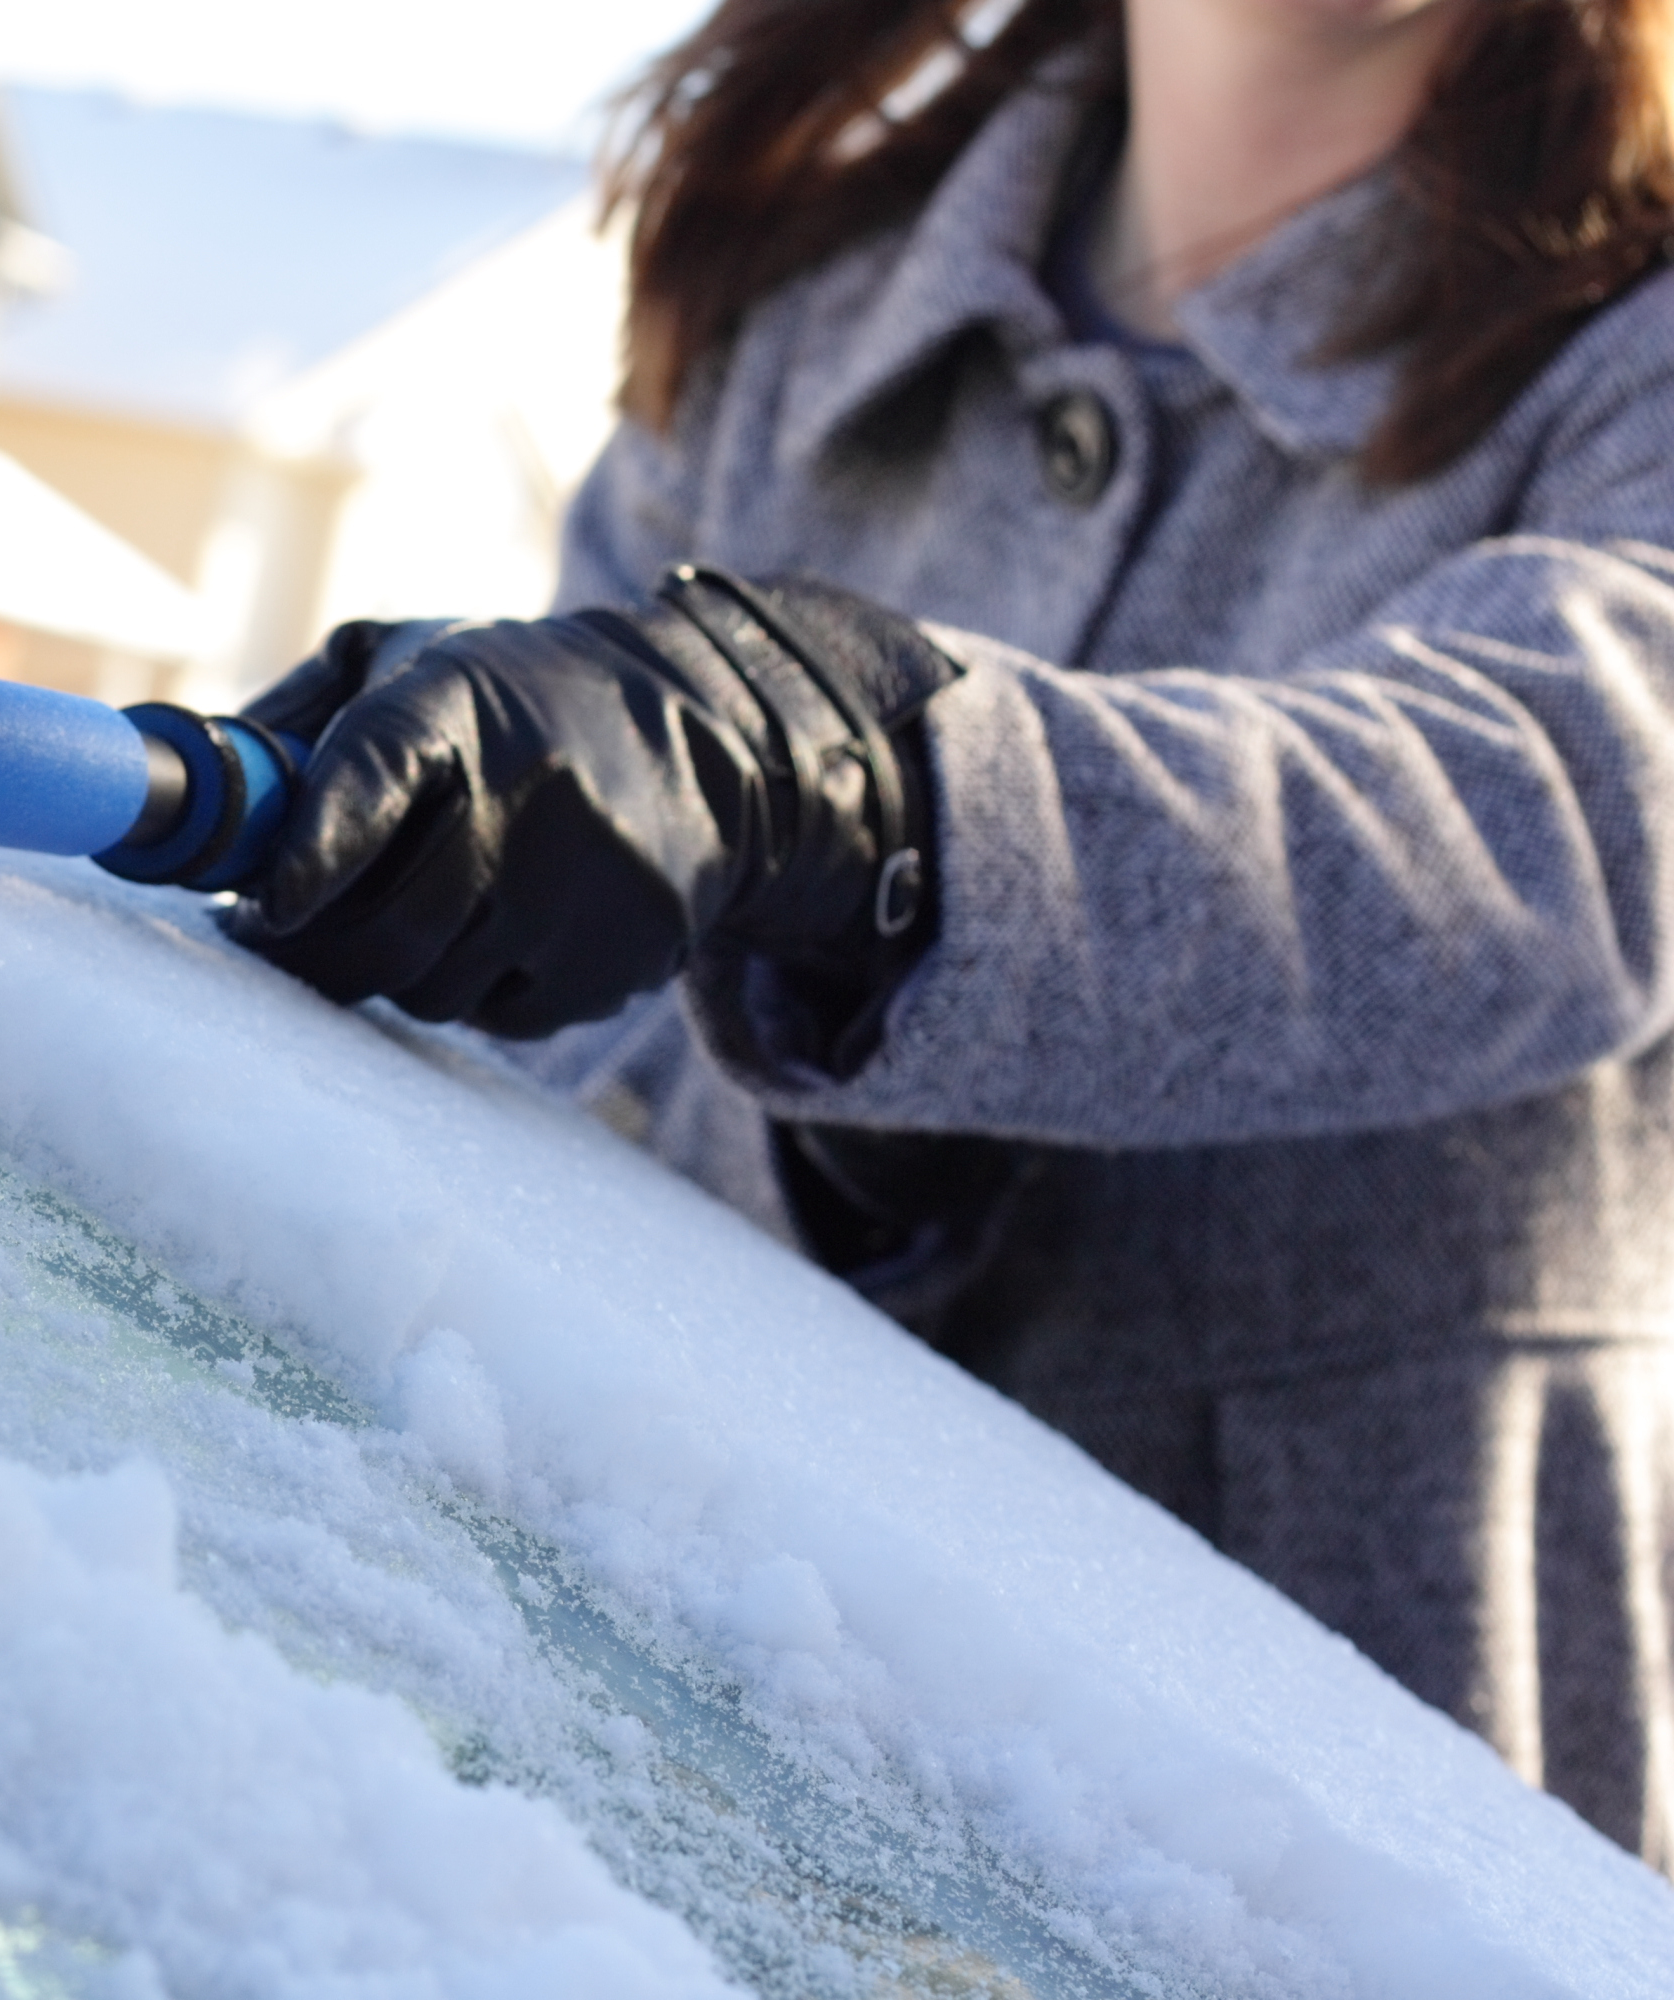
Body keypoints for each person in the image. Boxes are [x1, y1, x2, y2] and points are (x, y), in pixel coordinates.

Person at [224, 0, 1674, 1863]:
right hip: (666, 1797)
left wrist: (860, 803)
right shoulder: (803, 280)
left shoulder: (1632, 357)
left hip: (1331, 1871)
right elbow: (589, 1063)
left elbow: (1568, 806)